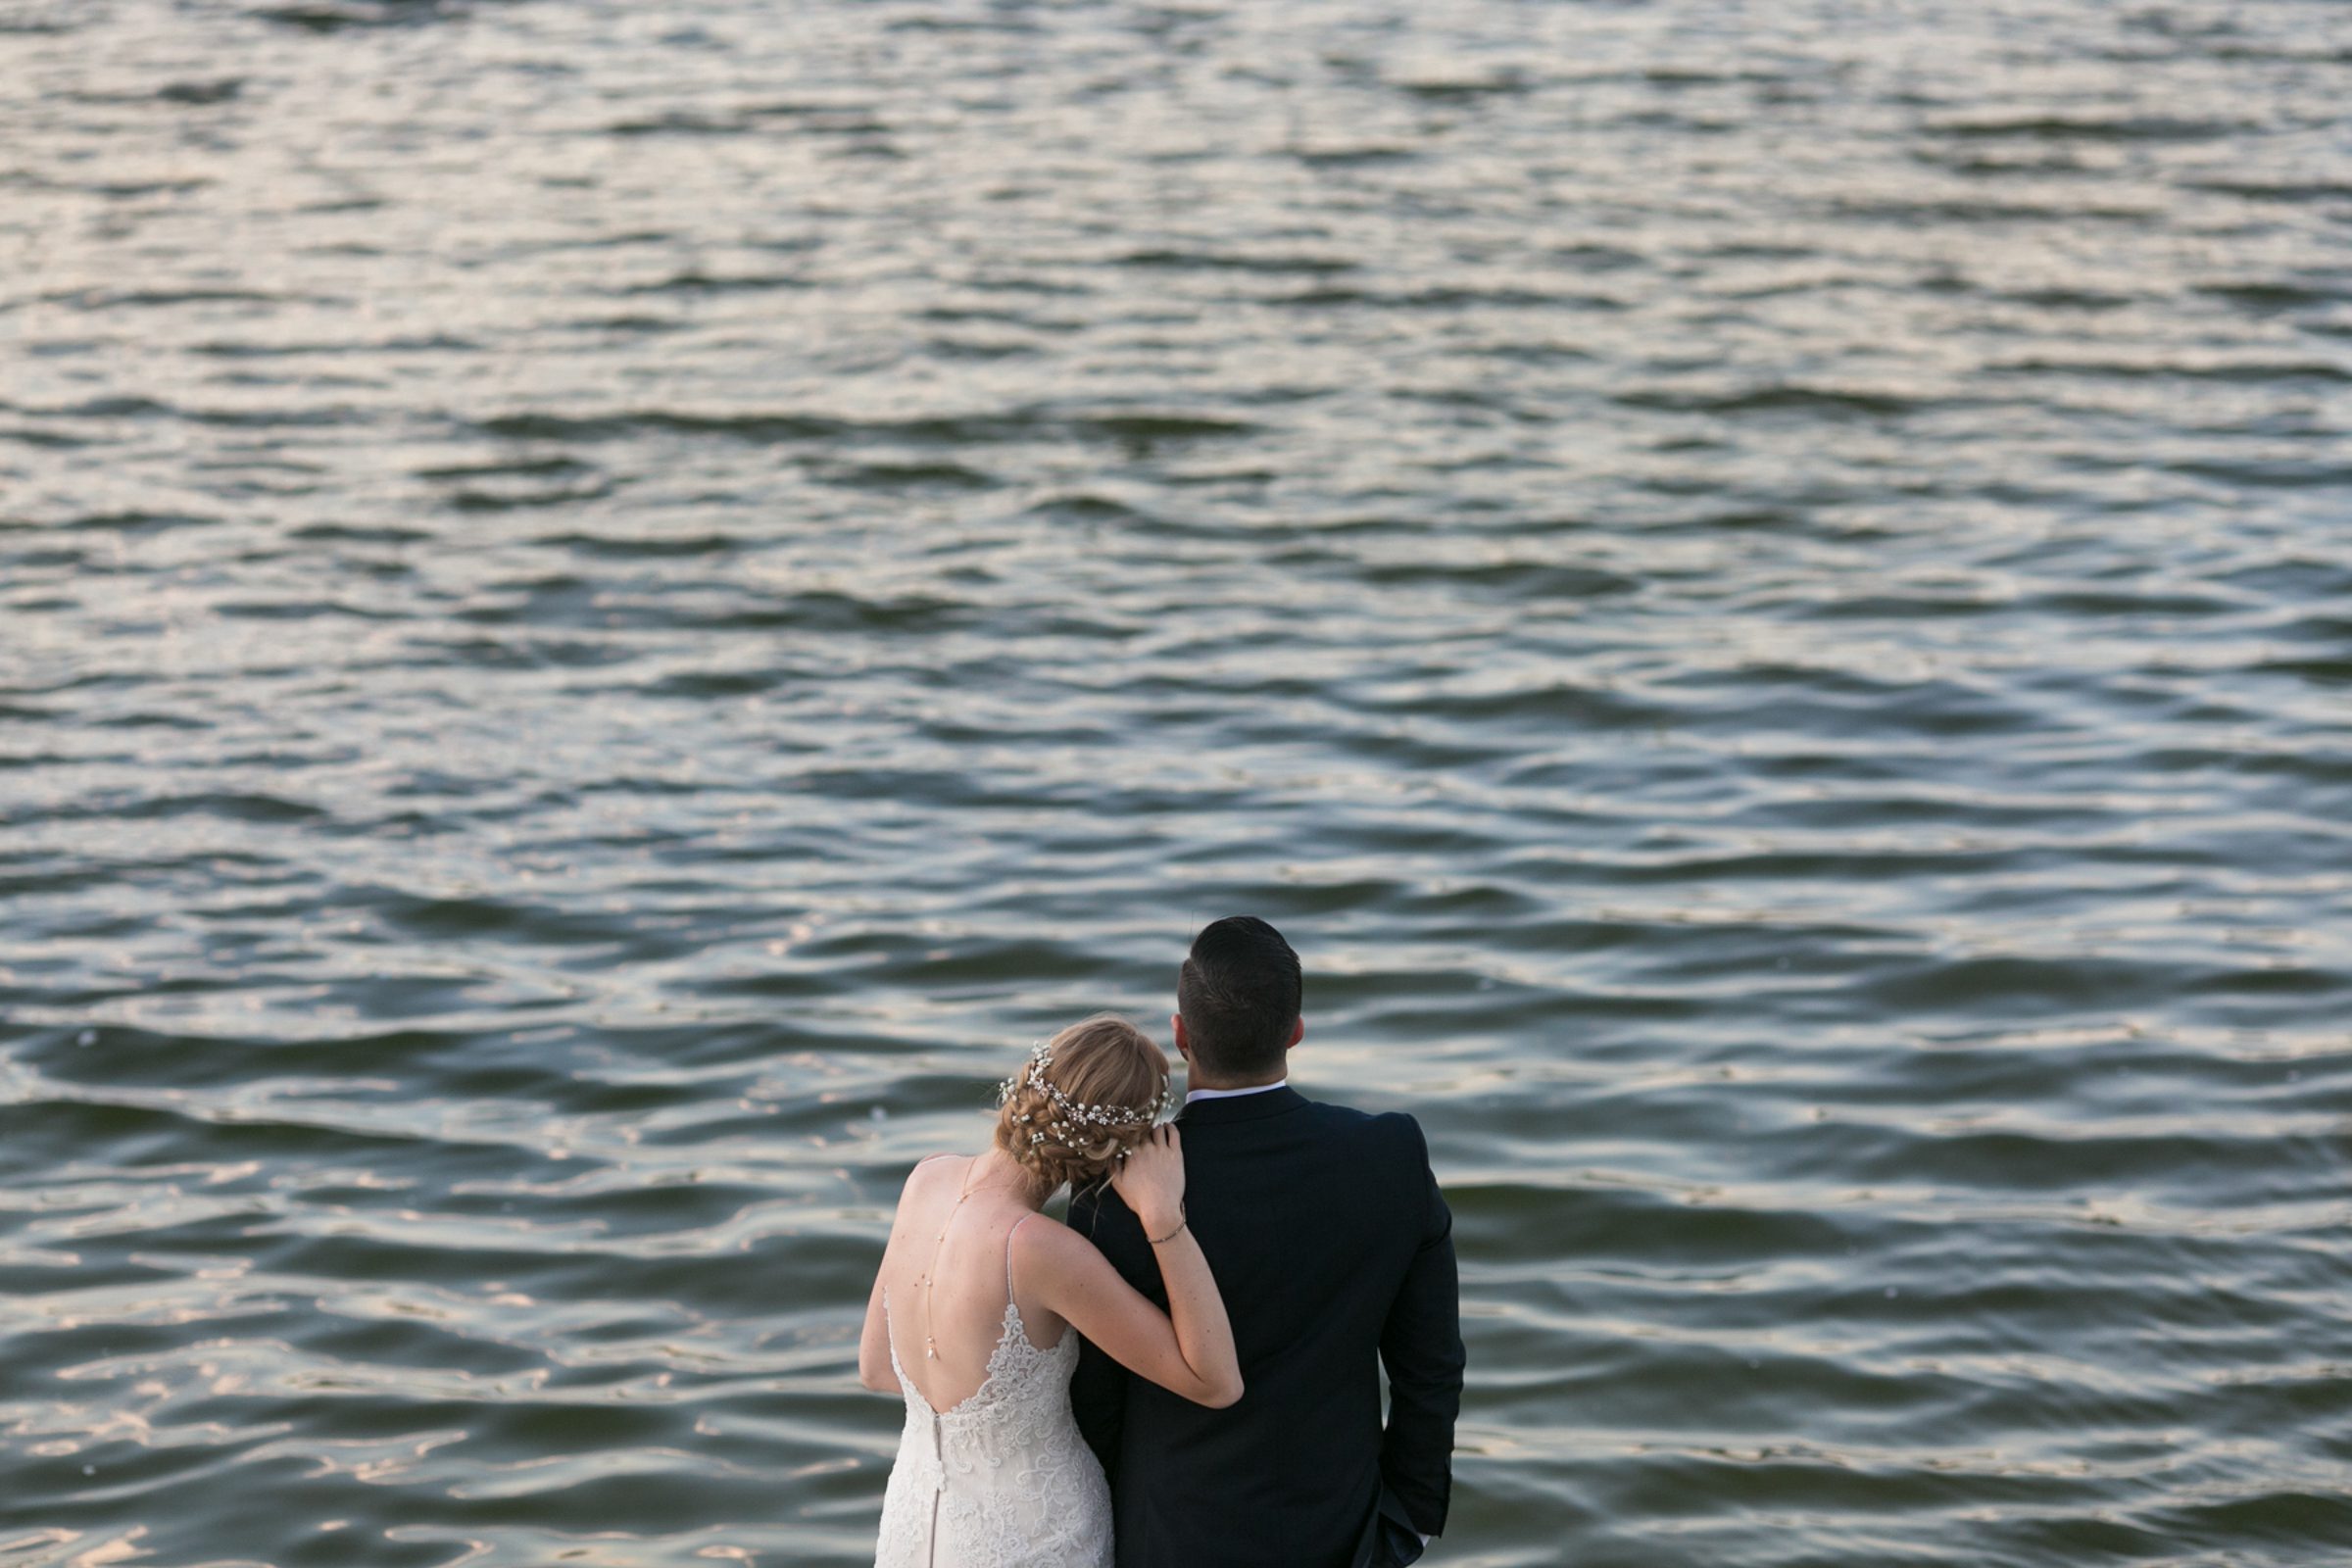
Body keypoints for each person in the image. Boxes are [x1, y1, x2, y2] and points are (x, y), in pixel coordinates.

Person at [1069, 916, 1465, 1568]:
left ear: (1181, 1036)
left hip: (1171, 1540)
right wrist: (1410, 1521)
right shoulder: (1389, 1158)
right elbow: (1431, 1367)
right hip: (1346, 1537)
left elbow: (1096, 1405)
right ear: (1296, 1033)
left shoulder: (1113, 1197)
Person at [860, 1013, 1242, 1568]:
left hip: (913, 1530)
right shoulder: (1040, 1251)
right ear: (1114, 1152)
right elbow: (1216, 1381)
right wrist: (1163, 1216)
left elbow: (876, 1368)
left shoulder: (925, 1179)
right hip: (1032, 1540)